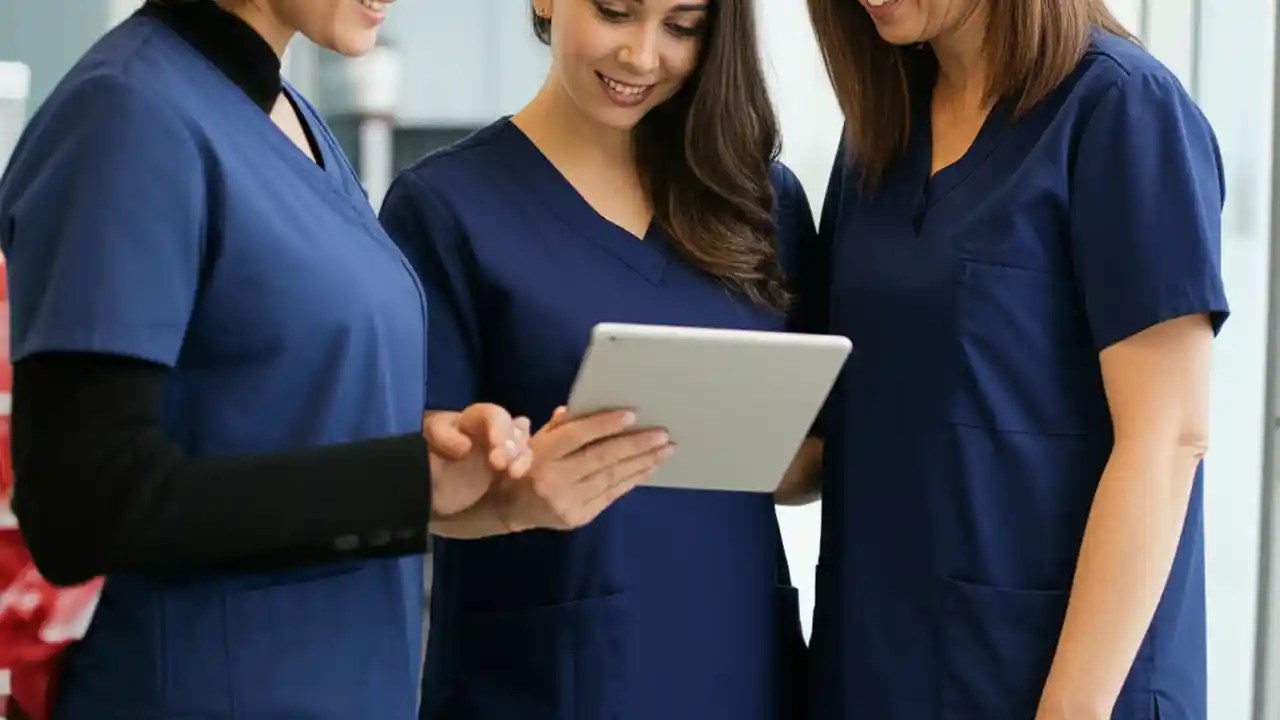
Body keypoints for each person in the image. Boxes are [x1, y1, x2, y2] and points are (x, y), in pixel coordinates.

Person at [0, 0, 672, 717]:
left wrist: (485, 493)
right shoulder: (127, 117)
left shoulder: (283, 112)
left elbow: (279, 425)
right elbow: (83, 504)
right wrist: (410, 480)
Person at [789, 0, 1230, 718]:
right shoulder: (882, 126)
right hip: (879, 662)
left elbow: (1169, 437)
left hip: (1061, 679)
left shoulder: (1122, 107)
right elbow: (843, 423)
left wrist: (1072, 708)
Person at [378, 0, 814, 717]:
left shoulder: (762, 202)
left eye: (682, 27)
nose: (642, 57)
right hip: (543, 676)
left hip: (735, 661)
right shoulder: (443, 208)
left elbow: (814, 458)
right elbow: (407, 486)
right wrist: (517, 494)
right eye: (615, 12)